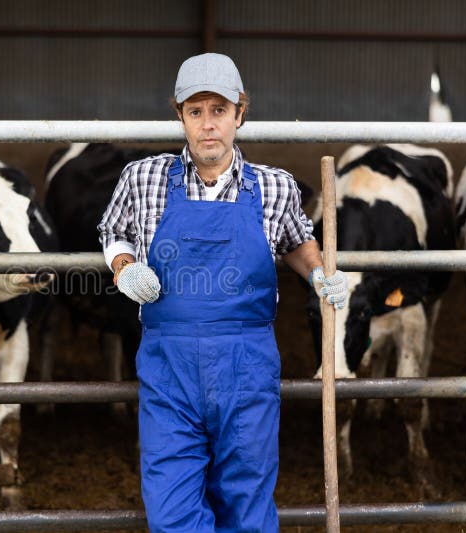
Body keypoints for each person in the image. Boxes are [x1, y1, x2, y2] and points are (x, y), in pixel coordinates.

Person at [97, 53, 347, 532]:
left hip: (246, 367)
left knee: (246, 502)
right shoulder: (142, 177)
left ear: (240, 114)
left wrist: (318, 274)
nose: (207, 125)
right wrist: (124, 267)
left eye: (218, 111)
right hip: (169, 368)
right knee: (171, 508)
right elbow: (114, 232)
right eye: (195, 112)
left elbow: (298, 241)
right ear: (179, 116)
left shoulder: (275, 187)